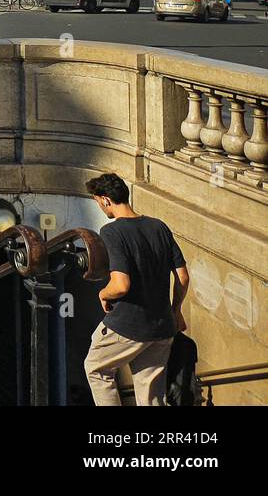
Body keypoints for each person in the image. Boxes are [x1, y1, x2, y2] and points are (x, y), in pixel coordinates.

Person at [83, 173, 190, 407]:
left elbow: (121, 285)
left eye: (98, 202)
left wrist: (103, 294)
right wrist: (176, 310)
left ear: (105, 200)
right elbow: (182, 276)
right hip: (162, 327)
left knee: (96, 368)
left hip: (130, 325)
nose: (101, 207)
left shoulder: (112, 232)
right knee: (150, 395)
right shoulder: (159, 226)